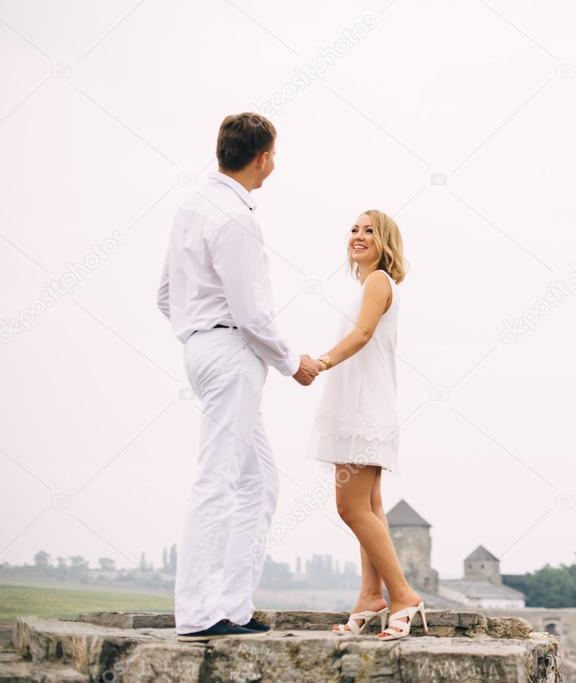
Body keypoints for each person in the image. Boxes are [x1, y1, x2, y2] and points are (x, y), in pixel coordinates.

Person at [157, 113, 325, 642]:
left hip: (207, 348)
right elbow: (252, 312)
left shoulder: (191, 207)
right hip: (231, 350)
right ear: (264, 157)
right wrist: (291, 360)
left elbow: (165, 296)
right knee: (220, 478)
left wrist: (196, 334)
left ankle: (231, 603)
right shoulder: (236, 217)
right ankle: (199, 613)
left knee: (258, 480)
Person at [307, 210, 426, 640]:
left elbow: (361, 336)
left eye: (369, 231)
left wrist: (321, 362)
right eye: (354, 229)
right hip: (365, 406)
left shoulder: (377, 281)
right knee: (370, 508)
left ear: (385, 242)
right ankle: (369, 596)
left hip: (361, 411)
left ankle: (404, 595)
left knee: (351, 507)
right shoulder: (370, 285)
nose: (358, 236)